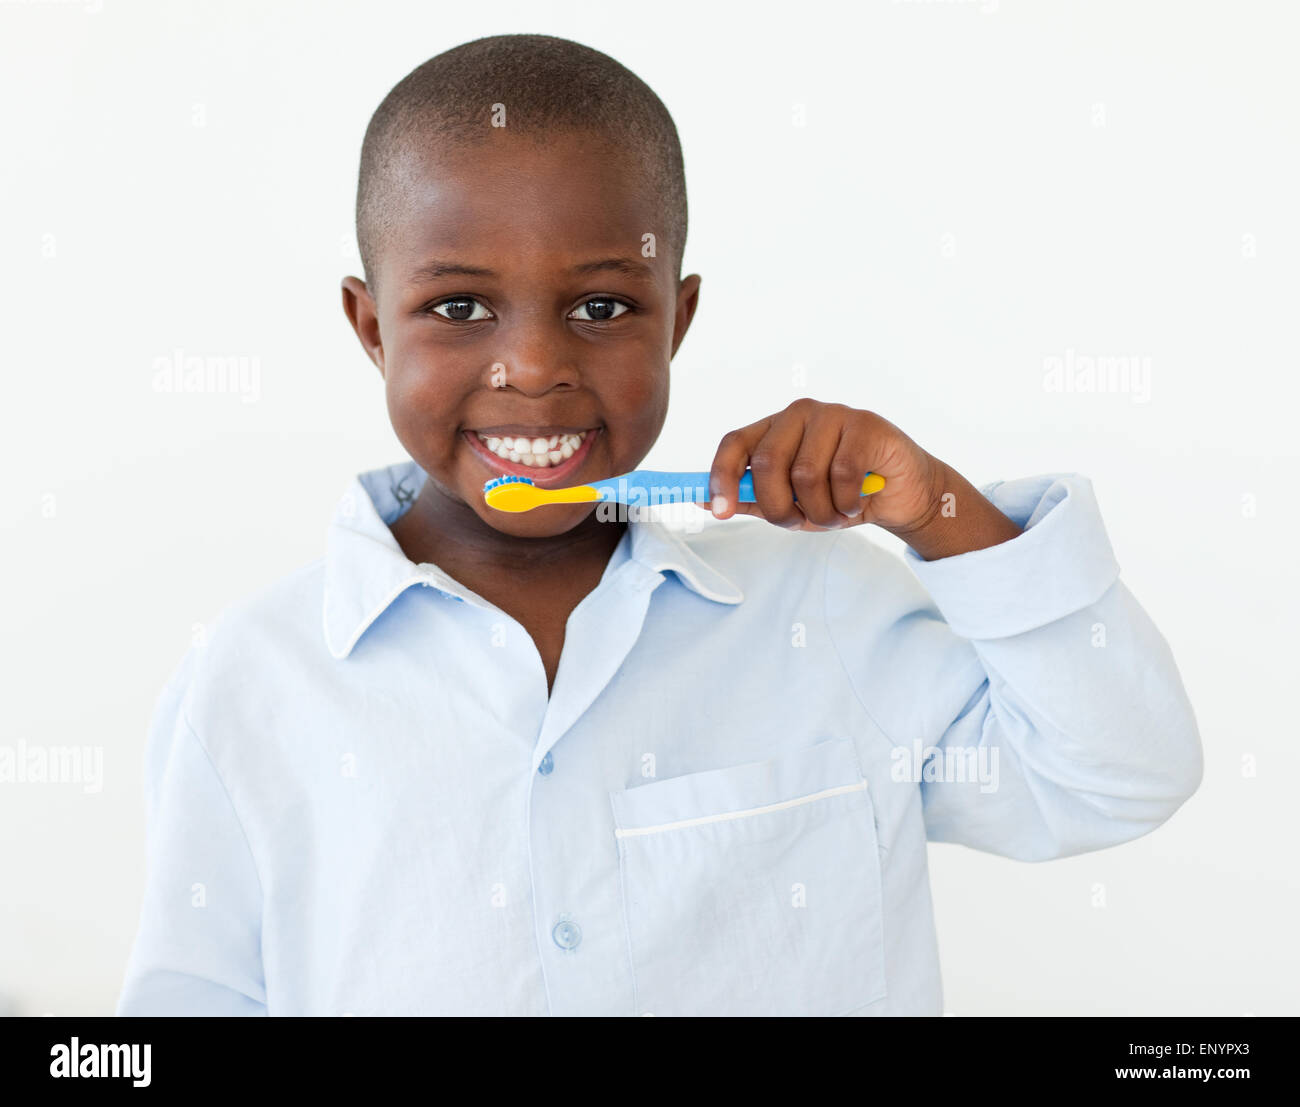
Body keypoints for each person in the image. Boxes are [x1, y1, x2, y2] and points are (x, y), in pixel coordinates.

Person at [116, 33, 1202, 1016]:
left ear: (677, 319)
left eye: (602, 307)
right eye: (457, 308)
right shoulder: (248, 688)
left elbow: (1120, 773)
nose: (533, 368)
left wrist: (937, 510)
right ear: (368, 326)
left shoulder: (821, 607)